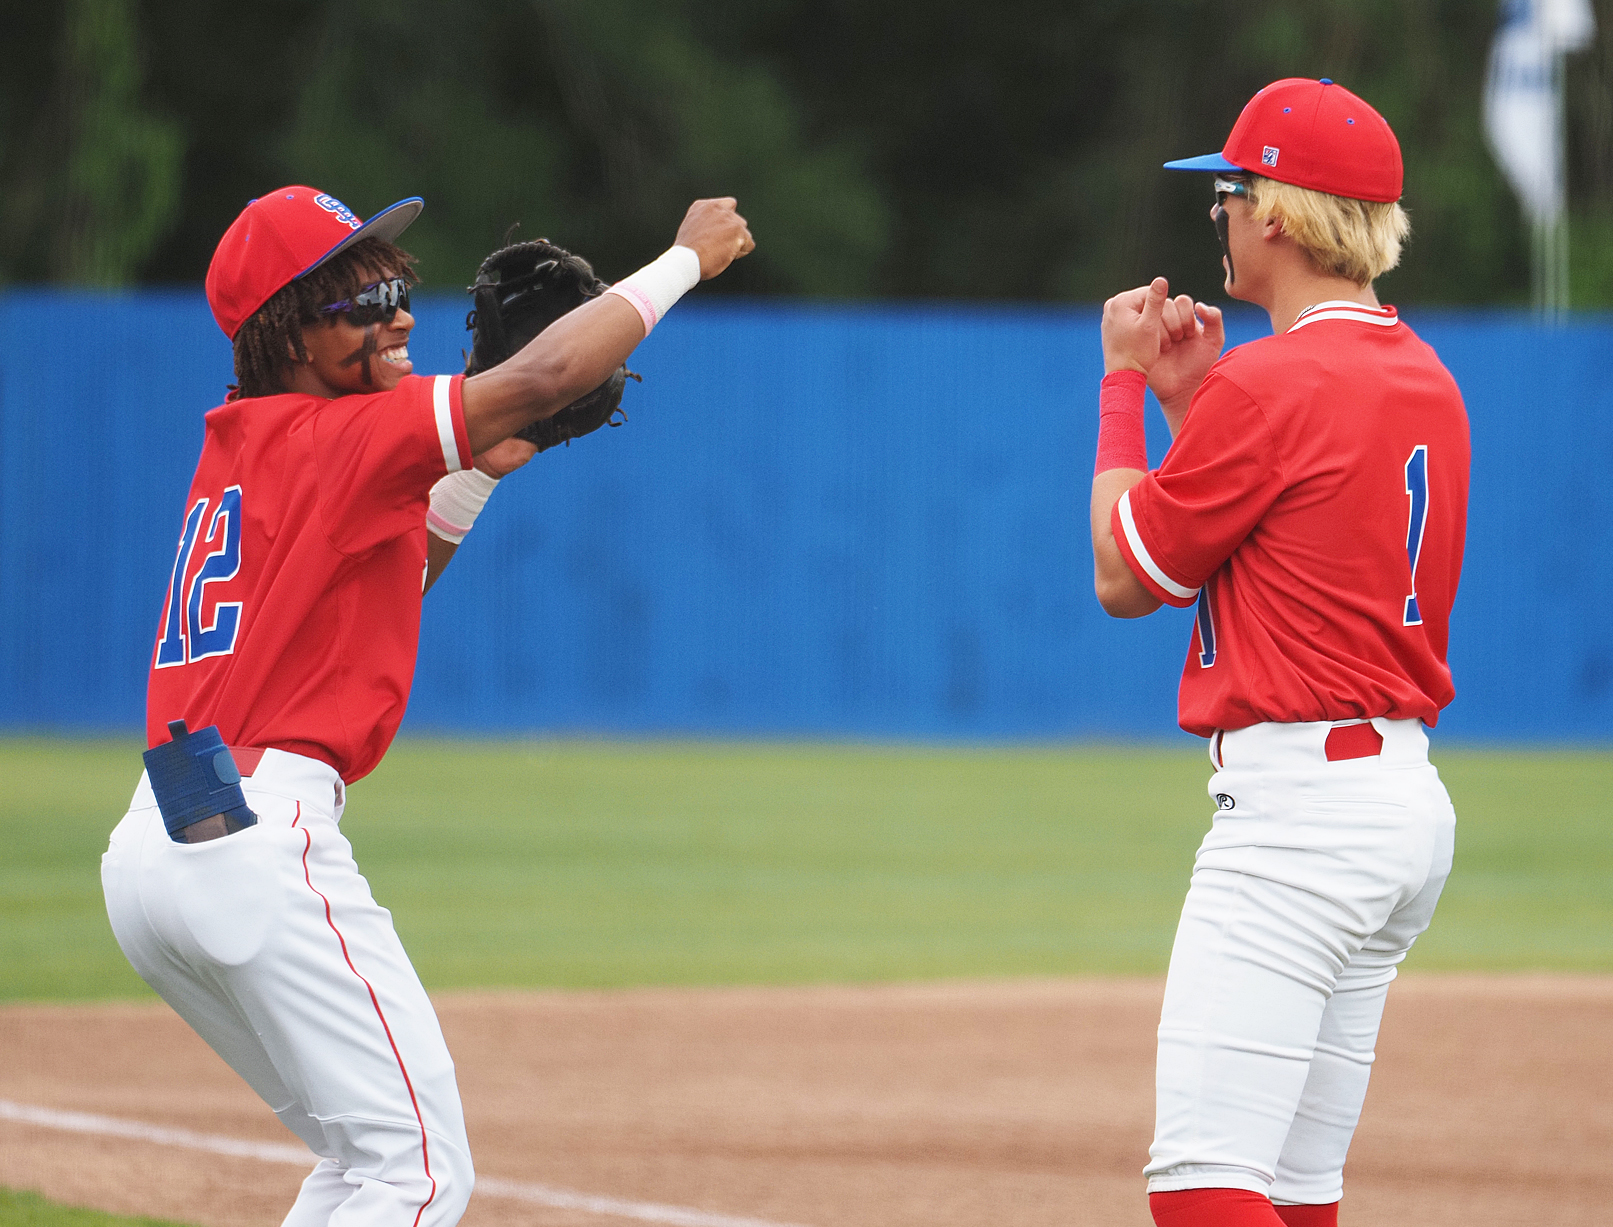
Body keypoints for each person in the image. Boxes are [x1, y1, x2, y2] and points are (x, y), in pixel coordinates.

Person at [101, 185, 752, 1227]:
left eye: (400, 289)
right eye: (366, 302)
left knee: (360, 1161)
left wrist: (478, 474)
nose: (400, 315)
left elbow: (388, 583)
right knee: (417, 1175)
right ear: (289, 333)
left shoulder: (253, 443)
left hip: (160, 846)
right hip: (258, 835)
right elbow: (545, 373)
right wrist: (684, 261)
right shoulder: (338, 435)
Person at [1088, 79, 1469, 1227]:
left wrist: (1122, 387)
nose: (1218, 212)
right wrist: (1194, 404)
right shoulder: (1425, 377)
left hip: (1300, 820)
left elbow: (1124, 578)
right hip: (1397, 806)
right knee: (1296, 1191)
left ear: (1275, 212)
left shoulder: (1269, 382)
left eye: (1227, 190)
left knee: (1200, 1187)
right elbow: (1294, 531)